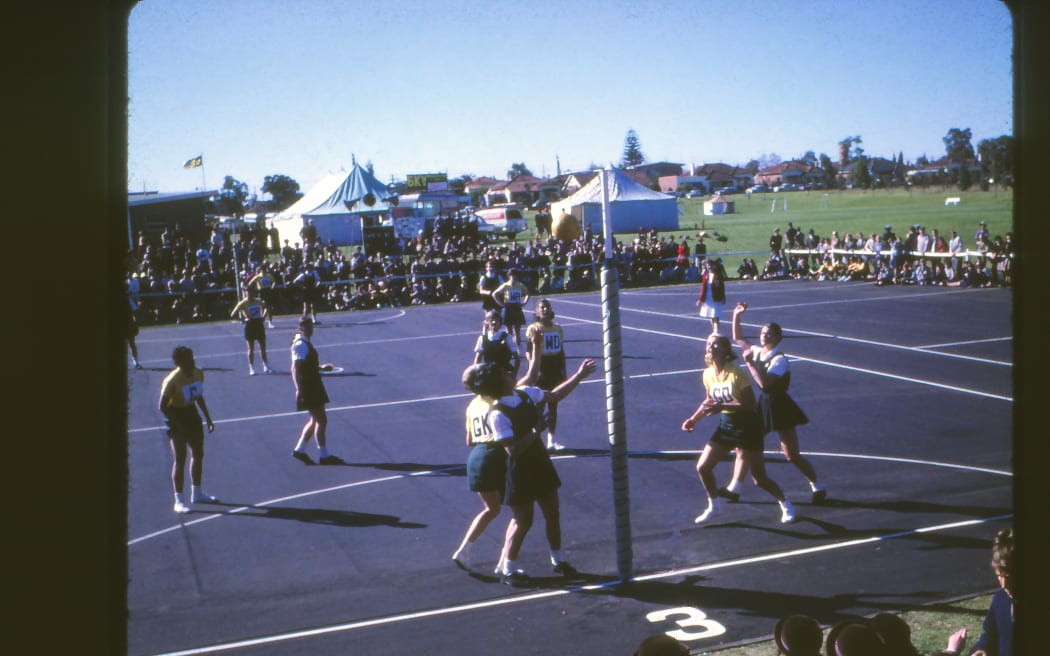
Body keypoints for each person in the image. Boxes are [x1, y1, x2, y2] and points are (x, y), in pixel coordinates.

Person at [482, 353, 598, 582]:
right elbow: (512, 449)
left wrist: (579, 376)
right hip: (519, 470)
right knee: (523, 521)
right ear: (498, 383)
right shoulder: (497, 414)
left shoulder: (525, 393)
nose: (510, 373)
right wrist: (536, 431)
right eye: (504, 373)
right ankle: (509, 568)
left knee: (552, 512)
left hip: (540, 462)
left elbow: (554, 396)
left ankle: (558, 559)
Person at [681, 333, 796, 524]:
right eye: (708, 344)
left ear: (726, 349)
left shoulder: (736, 373)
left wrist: (722, 407)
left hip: (748, 427)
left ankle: (786, 503)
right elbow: (710, 400)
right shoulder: (708, 374)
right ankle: (714, 507)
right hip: (727, 426)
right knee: (703, 467)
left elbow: (750, 404)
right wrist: (693, 419)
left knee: (759, 479)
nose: (711, 347)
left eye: (716, 345)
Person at [719, 303, 826, 505]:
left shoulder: (779, 360)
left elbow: (765, 385)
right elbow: (738, 338)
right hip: (764, 405)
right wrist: (736, 315)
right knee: (745, 444)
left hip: (780, 406)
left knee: (791, 455)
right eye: (762, 333)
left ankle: (817, 485)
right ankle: (735, 488)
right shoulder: (759, 351)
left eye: (768, 334)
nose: (763, 336)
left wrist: (750, 363)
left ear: (777, 337)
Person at [452, 361, 513, 570]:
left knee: (491, 509)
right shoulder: (498, 398)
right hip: (497, 454)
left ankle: (464, 550)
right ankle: (505, 560)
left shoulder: (471, 406)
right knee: (520, 512)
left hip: (477, 458)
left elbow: (469, 440)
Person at [158, 346, 217, 513]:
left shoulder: (198, 373)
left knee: (198, 454)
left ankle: (197, 493)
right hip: (174, 414)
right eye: (189, 359)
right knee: (180, 458)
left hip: (191, 413)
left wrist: (208, 418)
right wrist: (178, 425)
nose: (192, 361)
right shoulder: (172, 380)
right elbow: (162, 406)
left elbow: (198, 396)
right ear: (180, 362)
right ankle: (178, 501)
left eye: (192, 357)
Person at [943, 527, 1014, 656]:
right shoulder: (1000, 599)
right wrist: (982, 648)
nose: (1004, 585)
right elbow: (990, 634)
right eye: (999, 576)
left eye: (1010, 577)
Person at [290, 316, 342, 465]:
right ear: (301, 328)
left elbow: (307, 365)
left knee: (315, 419)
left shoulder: (304, 342)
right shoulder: (300, 344)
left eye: (311, 326)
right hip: (309, 386)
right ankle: (324, 455)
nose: (311, 329)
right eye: (308, 327)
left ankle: (299, 450)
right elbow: (295, 368)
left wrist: (321, 367)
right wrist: (298, 389)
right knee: (321, 420)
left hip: (313, 383)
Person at [525, 299, 569, 451]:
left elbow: (561, 352)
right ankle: (535, 439)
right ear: (537, 312)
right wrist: (533, 368)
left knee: (553, 406)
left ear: (551, 310)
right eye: (541, 308)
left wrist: (564, 371)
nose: (544, 310)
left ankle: (551, 440)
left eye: (547, 307)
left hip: (555, 370)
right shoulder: (534, 328)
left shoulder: (558, 328)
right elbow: (528, 351)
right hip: (541, 369)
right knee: (539, 406)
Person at [229, 287, 274, 376]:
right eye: (248, 292)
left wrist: (263, 316)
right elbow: (233, 314)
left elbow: (266, 307)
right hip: (250, 326)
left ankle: (266, 366)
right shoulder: (243, 303)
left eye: (251, 292)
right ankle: (251, 368)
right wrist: (243, 319)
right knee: (251, 349)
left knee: (263, 347)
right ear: (246, 293)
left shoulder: (258, 301)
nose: (250, 294)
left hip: (259, 324)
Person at [473, 309, 520, 374]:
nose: (494, 322)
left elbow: (517, 359)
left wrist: (514, 374)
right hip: (489, 372)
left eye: (497, 320)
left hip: (504, 371)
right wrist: (476, 373)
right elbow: (478, 358)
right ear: (487, 322)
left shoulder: (507, 337)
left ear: (500, 322)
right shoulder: (482, 338)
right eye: (491, 320)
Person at [493, 267, 530, 349]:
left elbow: (527, 293)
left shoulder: (520, 285)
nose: (514, 277)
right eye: (512, 275)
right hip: (508, 308)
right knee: (509, 332)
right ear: (509, 276)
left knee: (517, 332)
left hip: (517, 308)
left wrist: (524, 302)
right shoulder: (505, 285)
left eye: (515, 275)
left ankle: (517, 349)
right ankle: (509, 349)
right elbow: (494, 294)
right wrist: (501, 304)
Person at [695, 258, 726, 334]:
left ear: (713, 265)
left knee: (715, 316)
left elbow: (722, 287)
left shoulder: (718, 275)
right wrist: (700, 299)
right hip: (708, 298)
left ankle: (716, 331)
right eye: (707, 265)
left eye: (710, 265)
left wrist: (723, 297)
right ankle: (714, 331)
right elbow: (703, 288)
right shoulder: (706, 276)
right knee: (711, 315)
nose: (709, 266)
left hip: (716, 298)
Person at [127, 291, 142, 369]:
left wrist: (135, 323)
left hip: (128, 325)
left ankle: (135, 361)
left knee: (132, 344)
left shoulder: (129, 301)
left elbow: (135, 312)